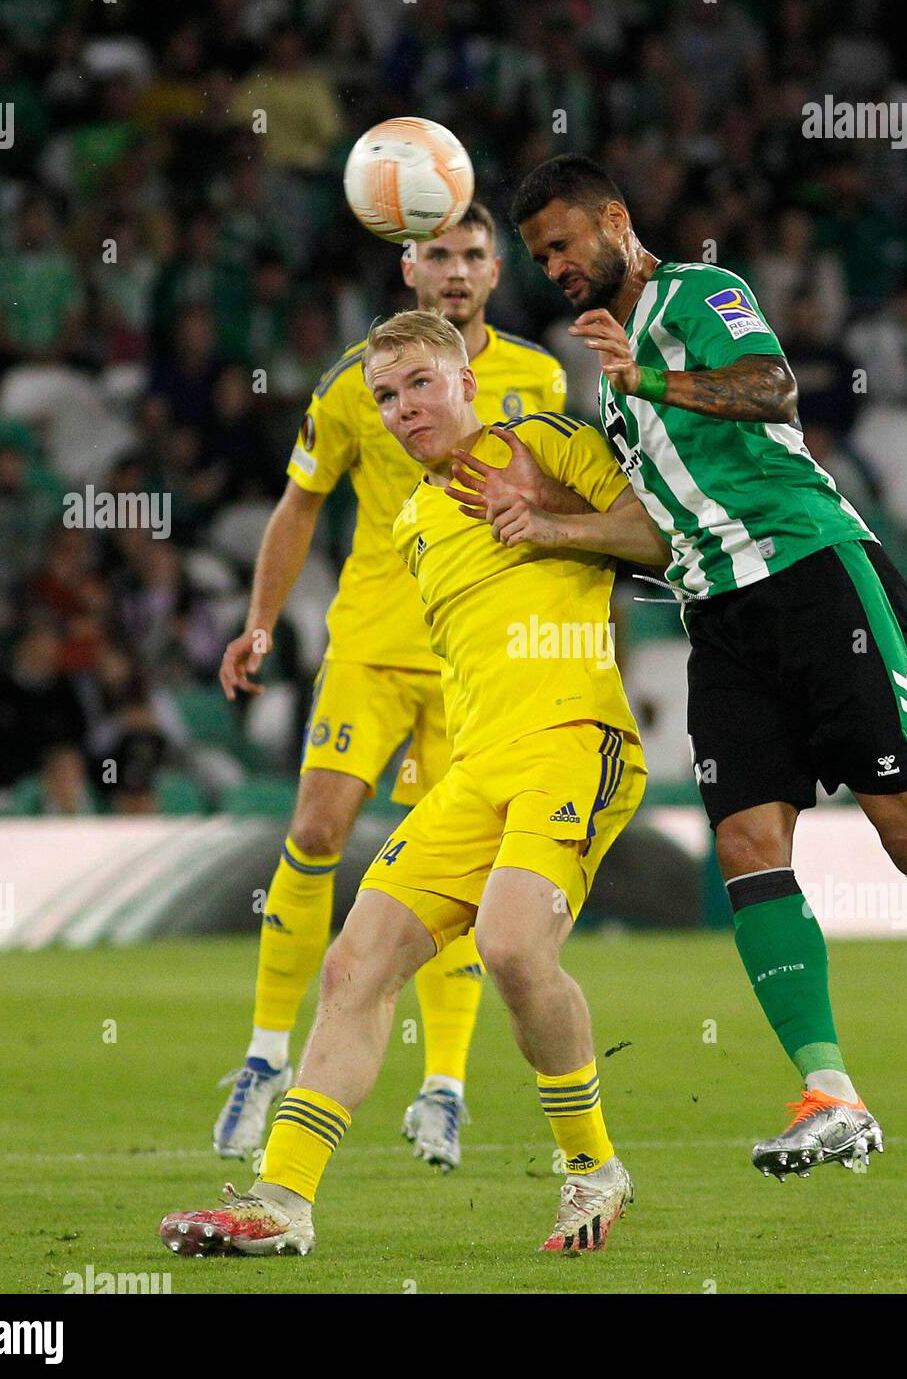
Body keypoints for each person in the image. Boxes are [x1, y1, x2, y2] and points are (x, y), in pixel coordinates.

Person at [502, 153, 907, 1185]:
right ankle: (831, 1095)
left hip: (816, 574)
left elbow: (773, 390)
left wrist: (644, 374)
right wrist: (549, 525)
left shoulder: (697, 294)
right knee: (744, 844)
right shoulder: (611, 385)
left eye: (561, 243)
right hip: (718, 613)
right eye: (539, 255)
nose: (552, 267)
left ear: (614, 221)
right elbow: (658, 523)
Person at [160, 309, 668, 1256]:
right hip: (475, 770)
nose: (402, 409)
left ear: (468, 380)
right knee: (354, 966)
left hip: (574, 743)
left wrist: (553, 522)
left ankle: (593, 1169)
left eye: (421, 385)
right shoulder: (415, 523)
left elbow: (667, 537)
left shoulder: (547, 441)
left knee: (514, 947)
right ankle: (280, 1202)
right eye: (386, 396)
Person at [211, 204, 568, 1173]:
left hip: (474, 664)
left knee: (446, 874)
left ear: (497, 271)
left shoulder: (538, 378)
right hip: (370, 645)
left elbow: (559, 506)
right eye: (438, 255)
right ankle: (262, 1056)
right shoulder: (353, 383)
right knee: (316, 831)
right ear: (408, 265)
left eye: (472, 257)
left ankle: (443, 1087)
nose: (455, 272)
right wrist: (260, 621)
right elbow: (298, 506)